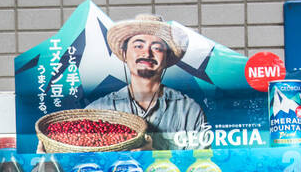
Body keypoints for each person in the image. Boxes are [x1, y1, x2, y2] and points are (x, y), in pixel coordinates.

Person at [87, 13, 210, 149]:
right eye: (138, 46)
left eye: (157, 48)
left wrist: (154, 154)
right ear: (124, 54)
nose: (147, 53)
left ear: (167, 57)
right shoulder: (98, 110)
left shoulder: (188, 110)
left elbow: (200, 163)